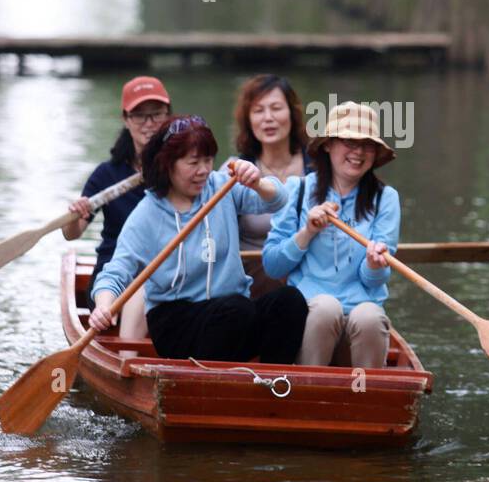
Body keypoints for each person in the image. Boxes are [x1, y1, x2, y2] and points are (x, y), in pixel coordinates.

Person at [89, 115, 307, 364]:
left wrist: (258, 182)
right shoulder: (147, 213)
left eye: (208, 160)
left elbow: (278, 199)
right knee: (236, 311)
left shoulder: (221, 186)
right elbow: (115, 272)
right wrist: (103, 306)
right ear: (167, 164)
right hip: (176, 320)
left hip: (232, 312)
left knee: (289, 301)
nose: (203, 170)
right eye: (193, 162)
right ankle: (207, 384)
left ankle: (273, 385)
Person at [262, 101, 400, 370]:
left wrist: (374, 264)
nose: (358, 152)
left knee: (369, 316)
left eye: (367, 144)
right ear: (328, 145)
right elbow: (272, 265)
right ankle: (308, 390)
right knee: (326, 308)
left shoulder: (386, 198)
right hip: (312, 316)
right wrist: (307, 232)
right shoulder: (297, 190)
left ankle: (369, 398)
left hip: (361, 315)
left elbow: (375, 281)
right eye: (349, 141)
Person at [63, 76, 171, 348]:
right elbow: (73, 233)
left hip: (169, 272)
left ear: (167, 116)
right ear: (126, 119)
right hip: (115, 273)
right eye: (139, 116)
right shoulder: (106, 174)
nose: (148, 124)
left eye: (156, 115)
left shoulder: (183, 168)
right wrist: (74, 214)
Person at [231, 74, 312, 295]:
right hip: (254, 283)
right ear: (248, 120)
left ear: (292, 114)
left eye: (276, 108)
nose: (268, 118)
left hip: (312, 280)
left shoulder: (318, 168)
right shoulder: (235, 171)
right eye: (258, 111)